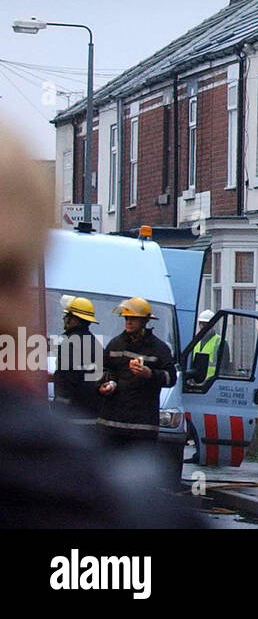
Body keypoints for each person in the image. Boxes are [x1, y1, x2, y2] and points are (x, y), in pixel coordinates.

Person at [0, 118, 198, 527]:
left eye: (130, 318)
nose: (127, 323)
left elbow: (164, 376)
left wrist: (142, 378)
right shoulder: (113, 505)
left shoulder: (154, 350)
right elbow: (91, 377)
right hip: (101, 427)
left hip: (133, 427)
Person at [97, 296, 177, 454]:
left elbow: (171, 378)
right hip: (112, 424)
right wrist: (108, 384)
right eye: (127, 318)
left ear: (145, 321)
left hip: (142, 427)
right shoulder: (115, 344)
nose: (128, 322)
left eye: (133, 318)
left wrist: (150, 374)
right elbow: (103, 370)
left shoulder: (159, 349)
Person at [51, 295, 104, 430]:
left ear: (74, 319)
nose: (65, 319)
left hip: (72, 416)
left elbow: (67, 378)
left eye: (67, 315)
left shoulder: (69, 343)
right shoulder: (95, 343)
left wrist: (59, 410)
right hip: (92, 415)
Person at [192, 309, 222, 383]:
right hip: (195, 383)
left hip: (211, 384)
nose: (202, 326)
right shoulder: (195, 341)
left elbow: (224, 368)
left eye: (205, 324)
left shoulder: (220, 342)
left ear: (213, 325)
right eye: (200, 323)